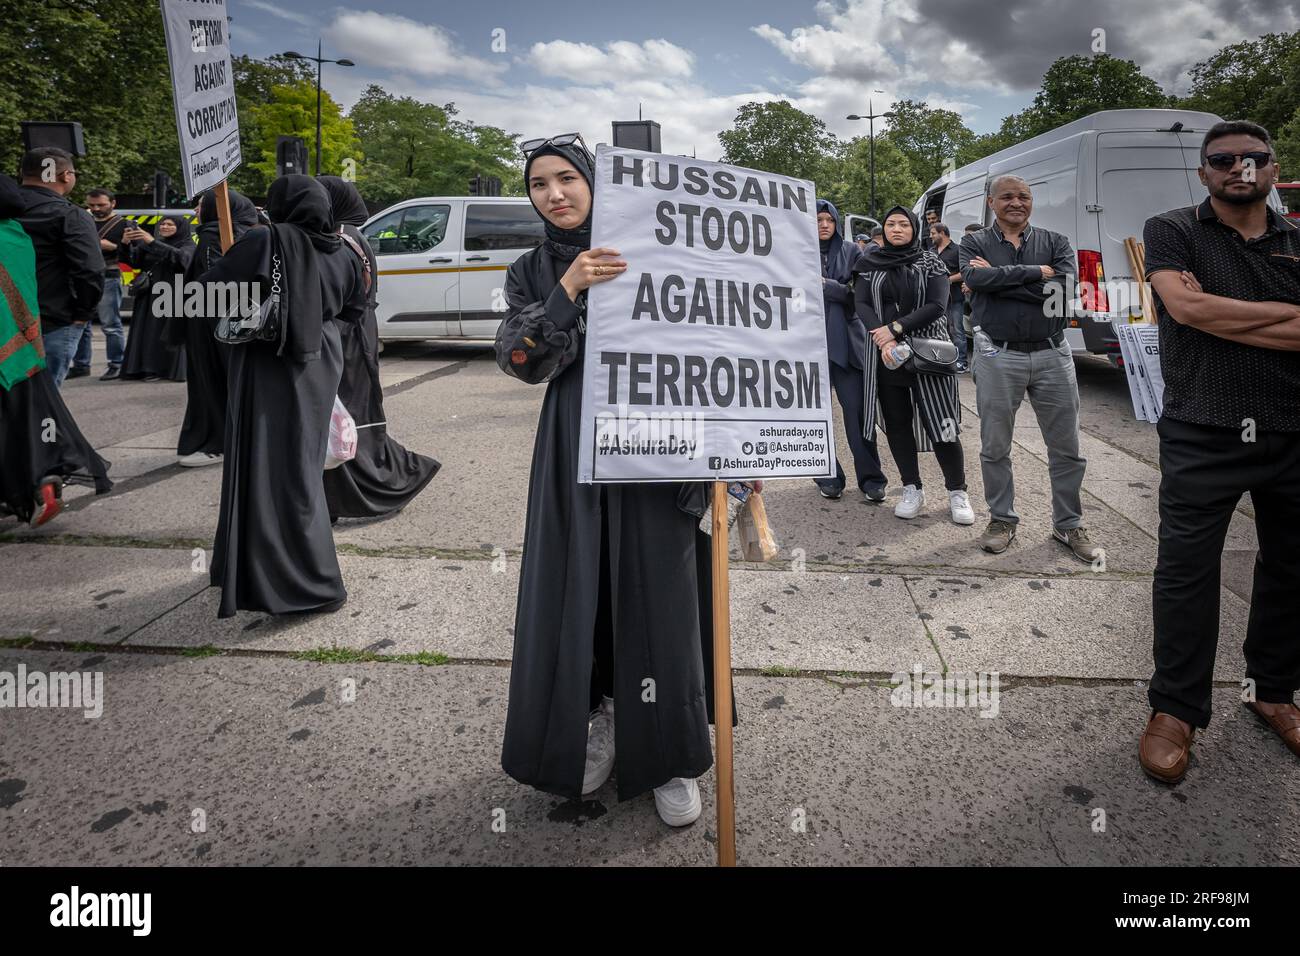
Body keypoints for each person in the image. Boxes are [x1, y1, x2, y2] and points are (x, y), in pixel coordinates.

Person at [495, 133, 731, 827]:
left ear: (596, 184)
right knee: (582, 589)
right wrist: (568, 290)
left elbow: (716, 340)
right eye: (539, 184)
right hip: (573, 446)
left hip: (661, 445)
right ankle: (593, 722)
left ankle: (670, 751)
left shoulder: (660, 250)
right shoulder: (529, 270)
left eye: (567, 178)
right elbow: (518, 358)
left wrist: (730, 451)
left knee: (660, 593)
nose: (555, 193)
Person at [1138, 120, 1300, 782]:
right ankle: (1175, 710)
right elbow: (1184, 309)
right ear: (1204, 172)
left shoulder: (1296, 239)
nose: (1241, 168)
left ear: (1272, 166)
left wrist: (1216, 311)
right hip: (1202, 427)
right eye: (1224, 159)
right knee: (1187, 573)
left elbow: (1206, 311)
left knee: (1291, 567)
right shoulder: (1171, 229)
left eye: (1254, 159)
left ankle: (1274, 693)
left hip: (1293, 427)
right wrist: (1279, 320)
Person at [196, 174, 367, 619]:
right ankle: (279, 572)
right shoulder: (344, 249)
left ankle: (303, 582)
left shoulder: (265, 241)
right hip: (321, 358)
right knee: (300, 467)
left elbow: (207, 294)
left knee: (268, 469)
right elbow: (355, 309)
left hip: (271, 364)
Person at [961, 175, 1101, 561]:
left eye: (1023, 196)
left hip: (1053, 353)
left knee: (1067, 448)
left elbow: (1067, 290)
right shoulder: (975, 243)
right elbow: (973, 278)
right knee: (994, 445)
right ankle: (1002, 520)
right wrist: (1037, 273)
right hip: (997, 354)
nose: (1016, 202)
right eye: (1007, 197)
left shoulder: (1056, 242)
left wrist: (998, 281)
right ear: (992, 202)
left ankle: (1068, 524)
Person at [317, 175, 440, 519]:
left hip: (348, 337)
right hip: (357, 335)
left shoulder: (339, 239)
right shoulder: (349, 235)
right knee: (354, 412)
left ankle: (381, 483)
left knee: (347, 415)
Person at [0, 174, 111, 526]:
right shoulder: (15, 236)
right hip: (26, 346)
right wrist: (81, 314)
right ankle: (43, 478)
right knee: (35, 414)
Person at [852, 206, 973, 524]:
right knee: (897, 422)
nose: (896, 229)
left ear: (914, 228)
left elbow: (937, 305)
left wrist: (895, 329)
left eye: (903, 224)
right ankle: (912, 487)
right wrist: (884, 338)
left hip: (928, 352)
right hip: (888, 356)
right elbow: (861, 302)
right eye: (890, 224)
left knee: (942, 422)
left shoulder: (930, 260)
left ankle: (957, 491)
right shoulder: (868, 263)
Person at [176, 188, 258, 467]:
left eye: (202, 205)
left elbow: (217, 283)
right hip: (231, 322)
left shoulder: (216, 234)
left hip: (212, 324)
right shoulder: (248, 232)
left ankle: (215, 442)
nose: (197, 211)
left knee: (210, 382)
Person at [812, 198, 888, 502]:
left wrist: (825, 286)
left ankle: (871, 478)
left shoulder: (852, 250)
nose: (824, 225)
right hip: (809, 346)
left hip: (847, 344)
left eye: (829, 220)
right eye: (818, 220)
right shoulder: (796, 252)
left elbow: (859, 293)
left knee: (856, 412)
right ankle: (827, 475)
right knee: (816, 416)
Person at [11, 148, 102, 387]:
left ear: (22, 173)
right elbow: (90, 269)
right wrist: (83, 313)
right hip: (50, 319)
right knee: (43, 400)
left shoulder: (7, 211)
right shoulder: (71, 215)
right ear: (65, 176)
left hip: (6, 316)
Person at [119, 216, 192, 382]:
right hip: (148, 295)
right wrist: (125, 243)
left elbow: (182, 260)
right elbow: (132, 261)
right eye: (163, 224)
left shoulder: (187, 245)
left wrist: (152, 242)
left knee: (161, 332)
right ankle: (144, 368)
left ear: (180, 227)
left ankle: (160, 369)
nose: (164, 227)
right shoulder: (149, 244)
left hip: (170, 295)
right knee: (146, 332)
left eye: (169, 224)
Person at [77, 188, 131, 380]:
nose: (96, 209)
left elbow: (132, 253)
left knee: (110, 323)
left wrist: (113, 246)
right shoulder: (84, 220)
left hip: (109, 274)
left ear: (113, 203)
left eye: (101, 205)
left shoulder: (123, 224)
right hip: (83, 275)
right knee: (81, 322)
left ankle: (116, 364)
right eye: (91, 205)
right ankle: (81, 364)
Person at [929, 222, 967, 371]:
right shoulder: (931, 250)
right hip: (935, 299)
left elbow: (965, 271)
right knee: (938, 330)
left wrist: (947, 280)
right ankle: (944, 359)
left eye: (933, 233)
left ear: (942, 233)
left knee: (956, 330)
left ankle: (961, 362)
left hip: (954, 298)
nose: (931, 236)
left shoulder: (958, 250)